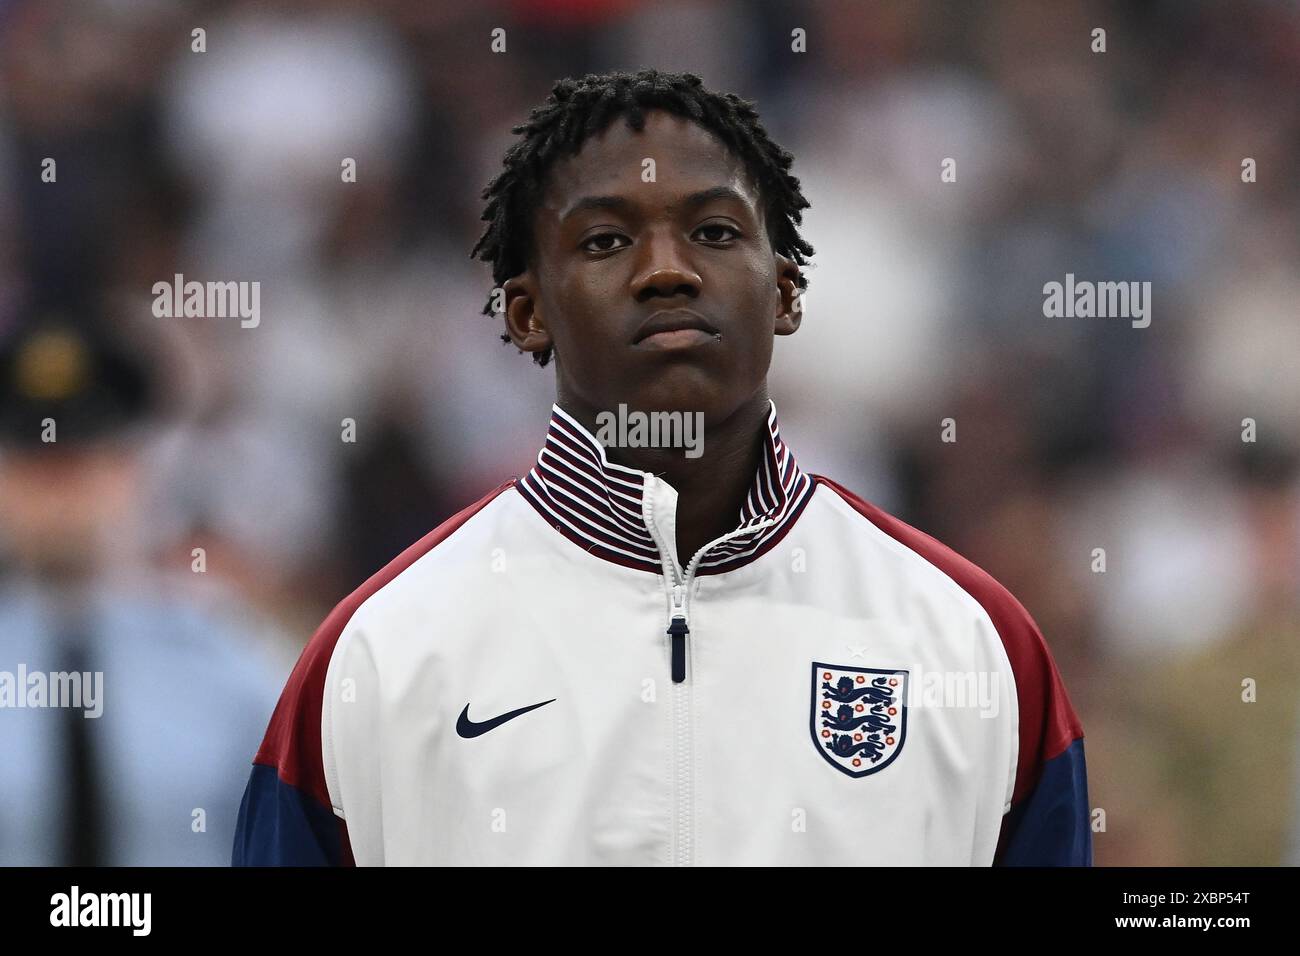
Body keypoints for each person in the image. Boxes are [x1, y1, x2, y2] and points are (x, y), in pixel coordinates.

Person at [233, 69, 1091, 866]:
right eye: (606, 241)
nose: (667, 271)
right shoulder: (378, 654)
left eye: (715, 232)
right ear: (527, 312)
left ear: (786, 291)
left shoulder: (974, 643)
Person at [0, 317, 284, 865]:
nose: (61, 495)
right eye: (37, 465)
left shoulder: (226, 656)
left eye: (80, 462)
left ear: (131, 468)